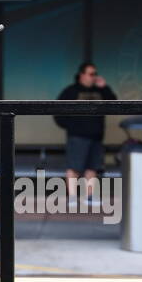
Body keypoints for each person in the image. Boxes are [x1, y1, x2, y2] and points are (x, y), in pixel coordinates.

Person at [55, 61, 116, 206]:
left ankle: (89, 196)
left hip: (96, 135)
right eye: (91, 74)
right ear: (82, 75)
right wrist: (71, 126)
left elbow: (114, 104)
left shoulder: (100, 90)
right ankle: (72, 197)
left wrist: (105, 87)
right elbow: (57, 110)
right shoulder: (71, 91)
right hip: (77, 135)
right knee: (74, 167)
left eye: (95, 74)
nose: (93, 77)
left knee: (92, 167)